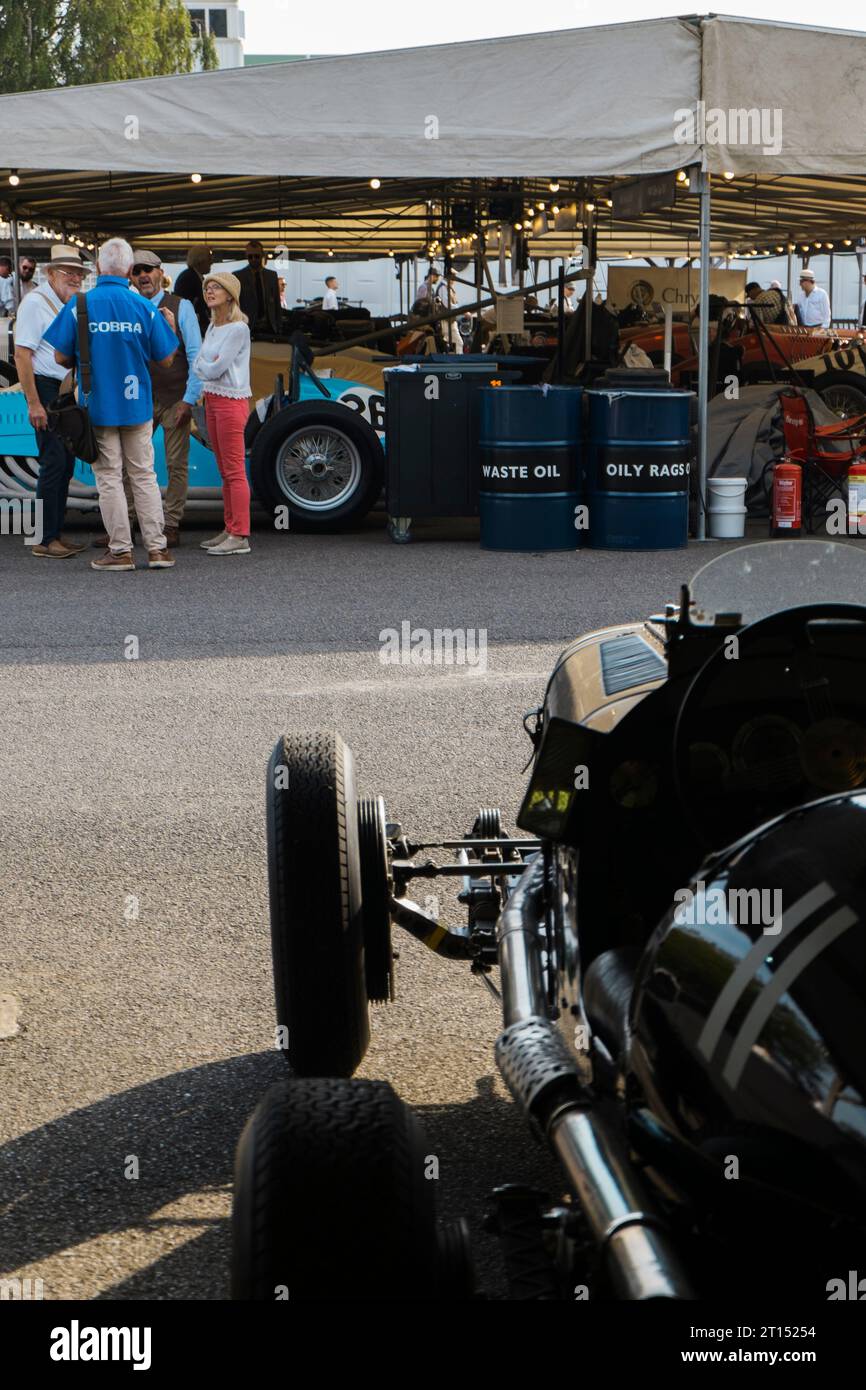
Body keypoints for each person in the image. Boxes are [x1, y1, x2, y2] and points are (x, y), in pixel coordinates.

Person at [44, 236, 179, 573]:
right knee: (144, 476)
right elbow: (166, 360)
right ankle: (158, 549)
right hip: (138, 406)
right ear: (130, 270)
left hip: (98, 405)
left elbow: (60, 356)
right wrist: (171, 327)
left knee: (109, 478)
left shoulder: (79, 304)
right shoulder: (144, 307)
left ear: (99, 267)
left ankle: (120, 551)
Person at [12, 244, 90, 559]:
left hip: (59, 390)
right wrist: (34, 404)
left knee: (63, 462)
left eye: (78, 273)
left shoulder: (62, 302)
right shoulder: (35, 303)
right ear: (51, 274)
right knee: (54, 462)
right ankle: (44, 539)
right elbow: (21, 355)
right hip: (46, 389)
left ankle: (53, 534)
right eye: (69, 272)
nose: (75, 278)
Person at [121, 248, 202, 548]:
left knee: (175, 463)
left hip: (173, 395)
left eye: (148, 269)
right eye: (137, 270)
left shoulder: (181, 307)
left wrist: (189, 399)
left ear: (160, 273)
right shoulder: (127, 305)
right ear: (130, 276)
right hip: (136, 396)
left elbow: (196, 355)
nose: (143, 275)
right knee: (130, 464)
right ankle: (126, 524)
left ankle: (171, 524)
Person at [193, 271, 252, 555]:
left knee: (234, 470)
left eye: (216, 288)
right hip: (214, 400)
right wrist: (205, 364)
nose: (210, 292)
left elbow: (213, 367)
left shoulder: (239, 328)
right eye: (207, 288)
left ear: (230, 294)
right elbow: (203, 363)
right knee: (225, 470)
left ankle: (240, 534)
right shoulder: (213, 327)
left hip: (230, 402)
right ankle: (231, 528)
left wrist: (204, 364)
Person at [236, 240, 281, 336]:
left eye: (256, 256)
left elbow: (277, 303)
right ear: (246, 256)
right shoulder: (238, 276)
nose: (253, 259)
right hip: (248, 327)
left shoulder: (272, 276)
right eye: (250, 256)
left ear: (262, 255)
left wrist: (278, 327)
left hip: (269, 328)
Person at [174, 245, 212, 333]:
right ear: (200, 261)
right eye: (209, 260)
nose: (212, 263)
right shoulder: (188, 278)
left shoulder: (193, 276)